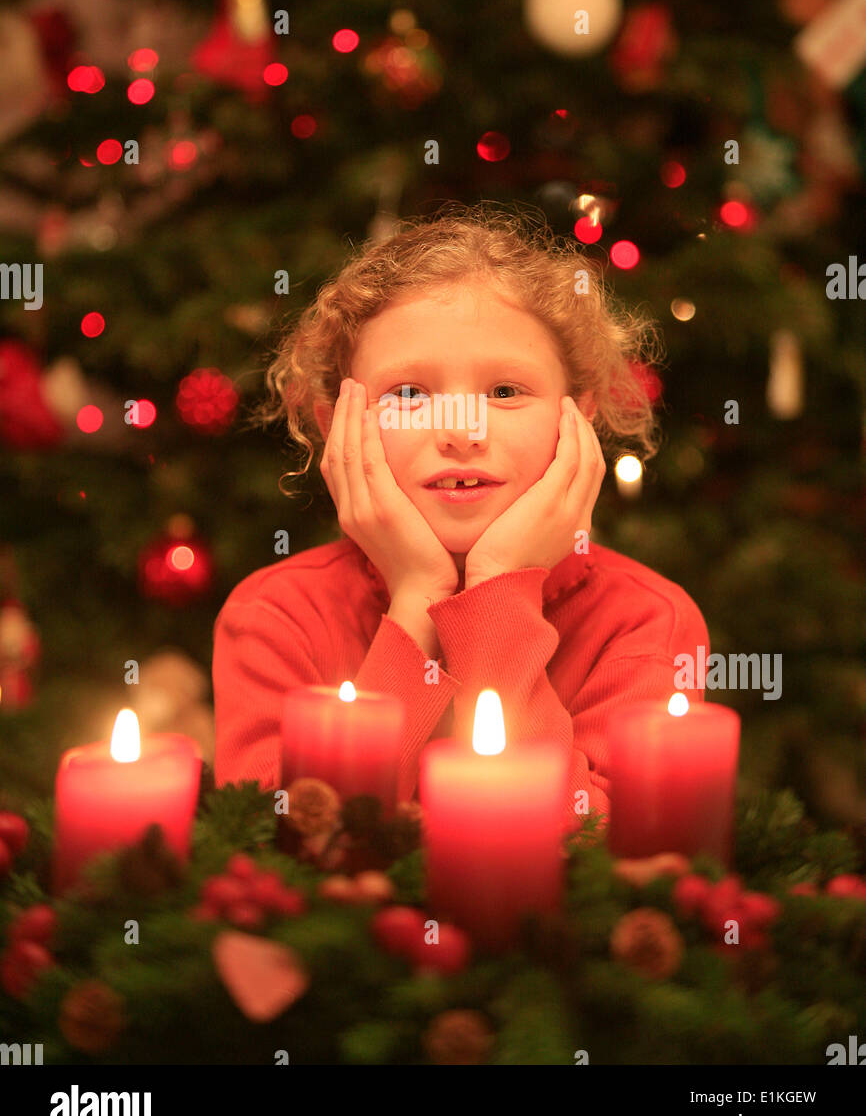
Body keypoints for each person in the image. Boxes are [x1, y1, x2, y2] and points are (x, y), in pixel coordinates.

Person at [212, 202, 709, 833]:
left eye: (505, 392)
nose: (462, 433)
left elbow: (592, 866)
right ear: (335, 425)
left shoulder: (645, 622)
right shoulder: (275, 616)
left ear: (577, 419)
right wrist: (417, 598)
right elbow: (291, 854)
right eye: (409, 395)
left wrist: (501, 588)